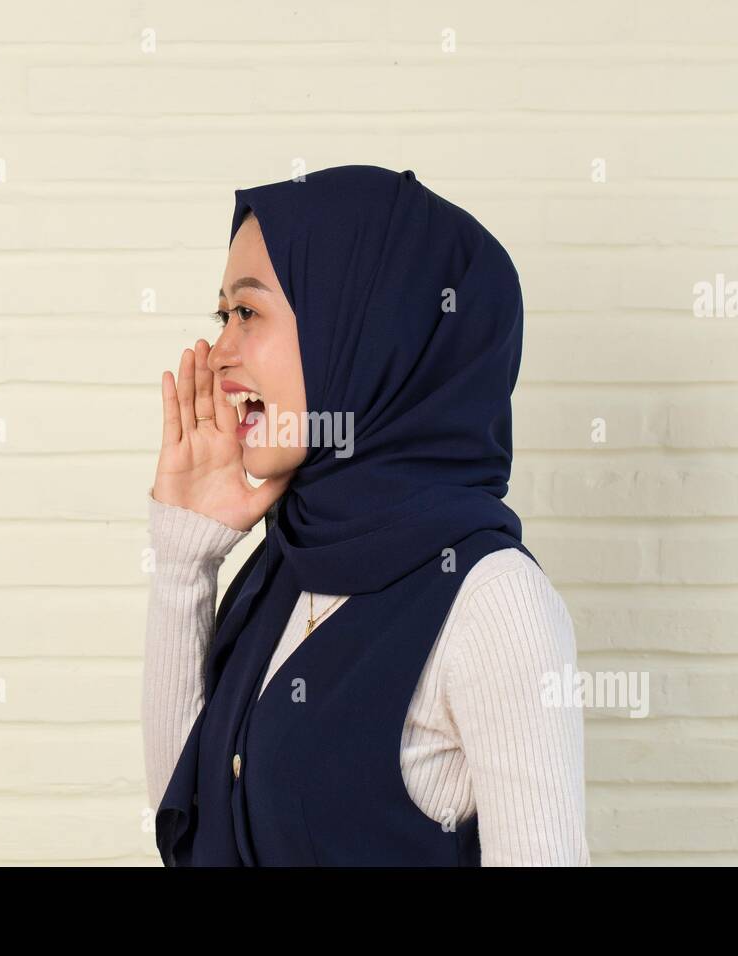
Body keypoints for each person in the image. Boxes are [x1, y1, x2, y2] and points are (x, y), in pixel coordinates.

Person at [142, 165, 589, 866]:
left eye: (249, 313)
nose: (219, 352)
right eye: (221, 315)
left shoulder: (493, 601)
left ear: (362, 329)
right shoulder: (288, 564)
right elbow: (194, 828)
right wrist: (184, 557)